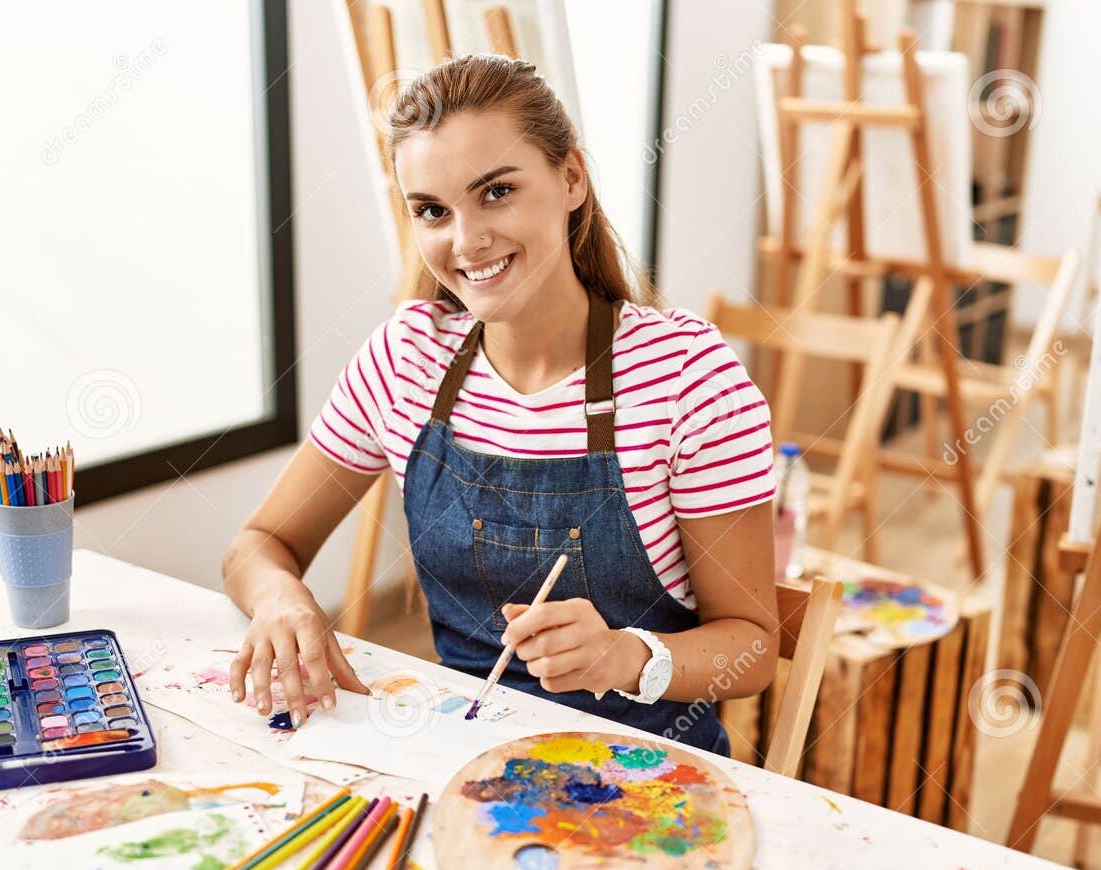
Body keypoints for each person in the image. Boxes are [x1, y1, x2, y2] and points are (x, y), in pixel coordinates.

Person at [222, 54, 778, 756]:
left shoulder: (688, 377)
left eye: (496, 192)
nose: (466, 241)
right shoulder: (406, 358)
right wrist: (281, 598)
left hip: (648, 772)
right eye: (432, 210)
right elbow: (257, 547)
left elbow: (753, 649)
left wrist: (620, 656)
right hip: (463, 755)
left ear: (571, 177)